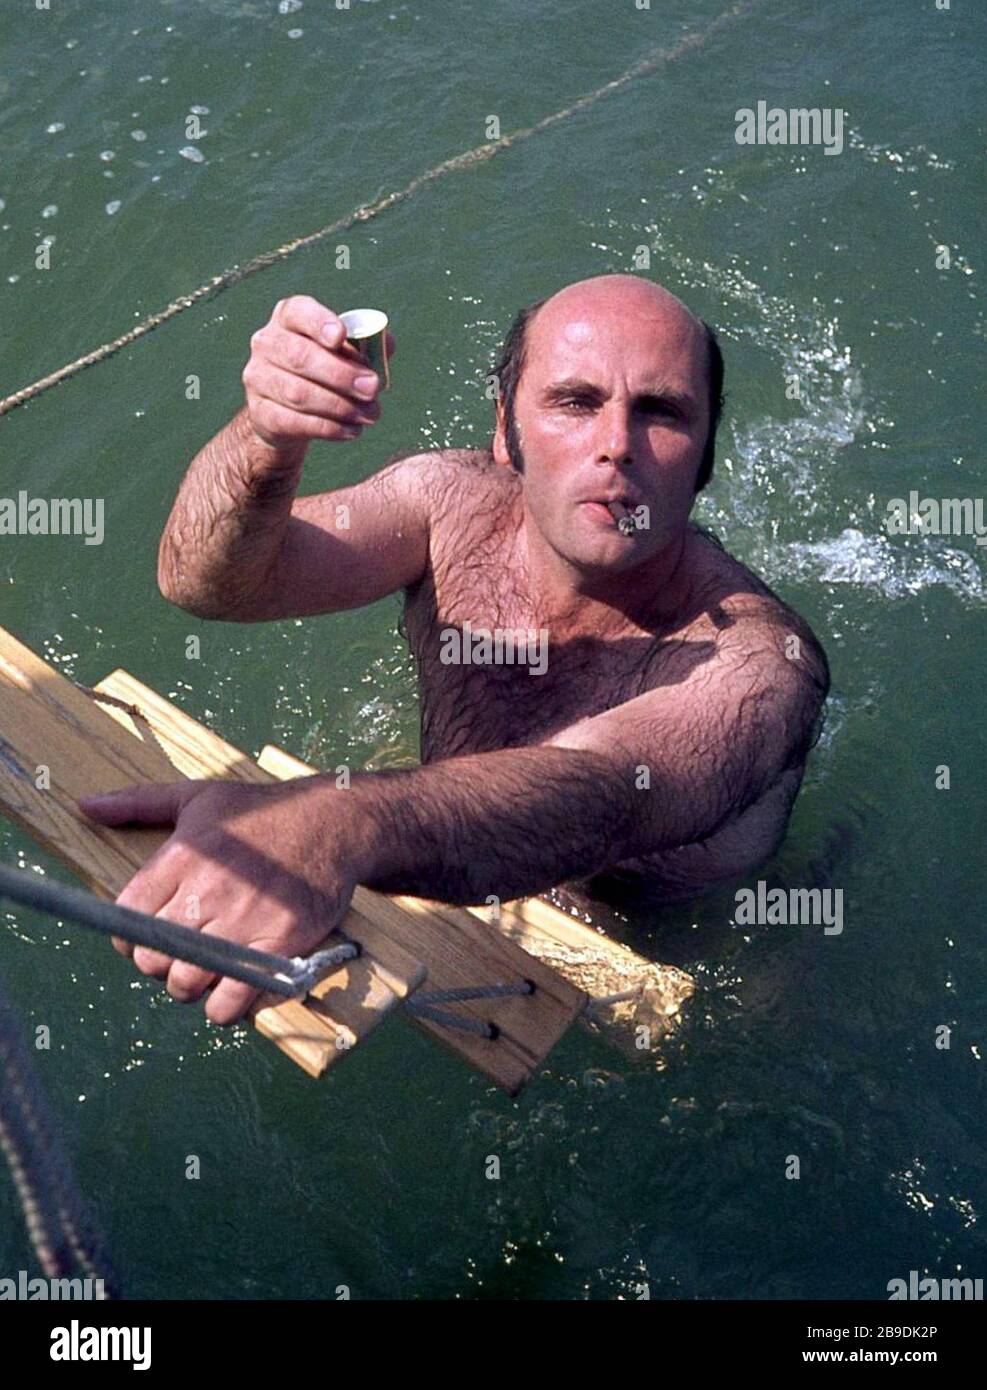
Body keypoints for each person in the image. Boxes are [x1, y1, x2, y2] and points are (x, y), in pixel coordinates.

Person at [80, 274, 829, 1023]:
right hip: (425, 883)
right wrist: (267, 436)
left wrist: (338, 823)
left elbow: (602, 796)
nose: (614, 447)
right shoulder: (447, 504)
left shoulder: (760, 665)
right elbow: (205, 583)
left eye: (660, 413)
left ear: (703, 461)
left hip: (652, 981)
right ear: (505, 431)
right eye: (574, 402)